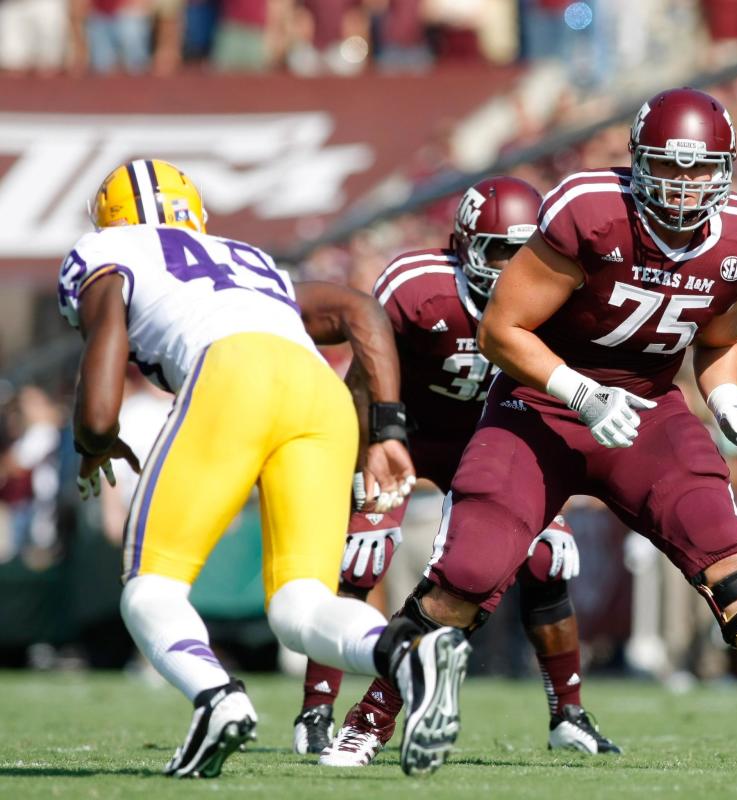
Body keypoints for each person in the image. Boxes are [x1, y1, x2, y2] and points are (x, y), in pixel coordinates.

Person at [367, 87, 737, 774]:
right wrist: (579, 390)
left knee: (728, 553)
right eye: (670, 166)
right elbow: (500, 330)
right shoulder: (590, 210)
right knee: (469, 570)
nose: (684, 184)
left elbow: (720, 337)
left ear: (726, 171)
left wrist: (728, 403)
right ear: (638, 162)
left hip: (648, 411)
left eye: (701, 170)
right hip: (541, 404)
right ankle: (370, 717)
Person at [60, 158, 465, 778]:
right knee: (299, 606)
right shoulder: (243, 256)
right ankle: (405, 652)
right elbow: (360, 309)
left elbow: (102, 355)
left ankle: (216, 697)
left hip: (232, 373)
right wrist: (386, 427)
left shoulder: (108, 249)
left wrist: (95, 437)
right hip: (318, 393)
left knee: (150, 587)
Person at [297, 176, 620, 765]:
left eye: (522, 252)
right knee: (361, 555)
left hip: (494, 441)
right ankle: (317, 708)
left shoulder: (557, 291)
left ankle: (568, 714)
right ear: (465, 243)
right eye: (498, 250)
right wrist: (369, 443)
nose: (510, 266)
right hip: (406, 437)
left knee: (548, 559)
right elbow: (366, 373)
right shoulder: (417, 286)